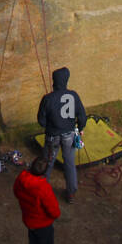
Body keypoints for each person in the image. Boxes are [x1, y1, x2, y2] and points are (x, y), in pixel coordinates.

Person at [38, 66, 87, 202]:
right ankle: (71, 193)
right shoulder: (74, 95)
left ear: (54, 81)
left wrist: (49, 127)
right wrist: (81, 127)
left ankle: (41, 190)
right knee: (70, 163)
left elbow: (41, 120)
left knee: (47, 162)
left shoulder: (47, 98)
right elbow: (82, 116)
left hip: (52, 135)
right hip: (69, 135)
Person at [13, 156, 61, 244]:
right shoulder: (42, 187)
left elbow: (16, 191)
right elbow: (54, 210)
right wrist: (54, 216)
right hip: (42, 223)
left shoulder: (21, 179)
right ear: (44, 172)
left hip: (28, 218)